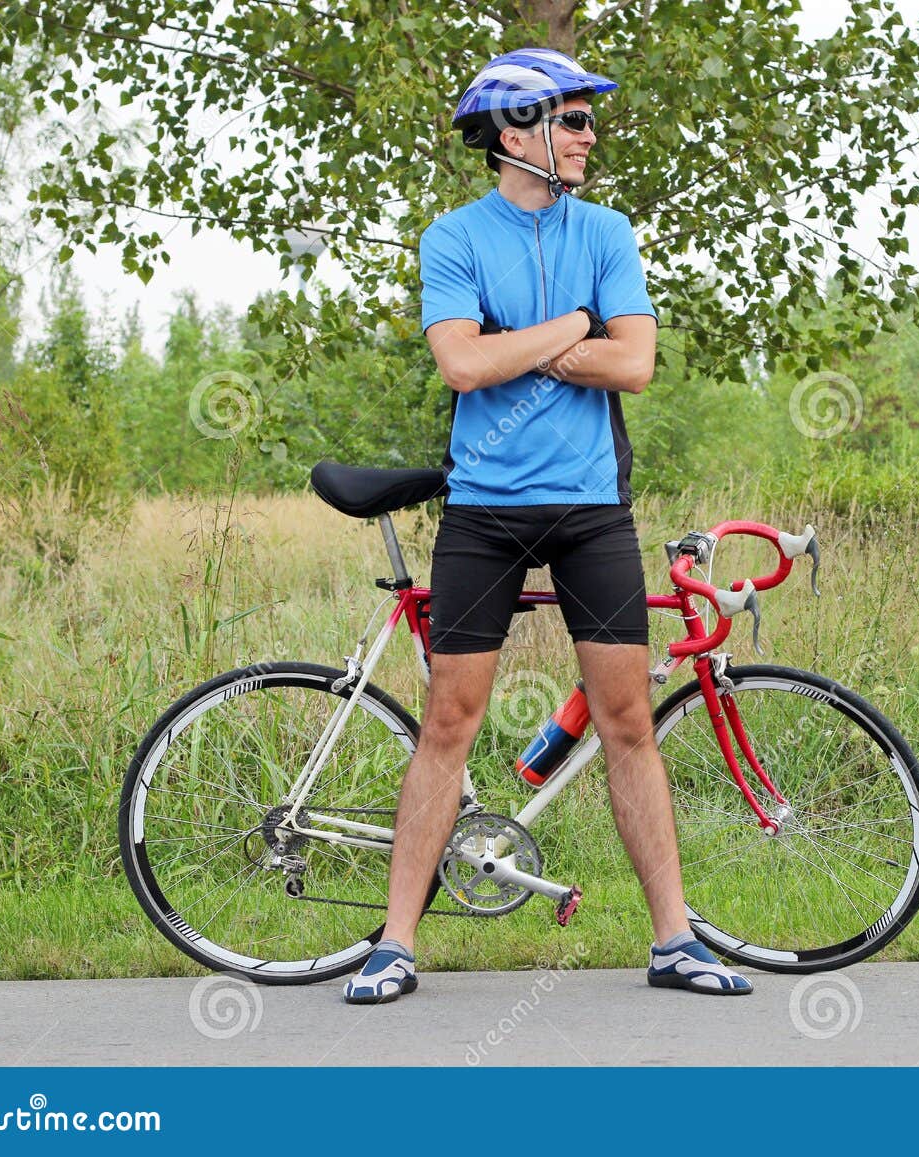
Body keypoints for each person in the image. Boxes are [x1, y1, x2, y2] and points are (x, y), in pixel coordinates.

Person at [344, 48, 752, 1003]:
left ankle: (675, 940)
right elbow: (461, 366)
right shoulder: (453, 238)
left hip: (589, 509)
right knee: (450, 719)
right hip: (484, 510)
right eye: (572, 119)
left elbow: (635, 364)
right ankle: (395, 944)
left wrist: (521, 344)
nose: (589, 136)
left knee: (627, 721)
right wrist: (576, 327)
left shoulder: (606, 231)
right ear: (515, 133)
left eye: (586, 119)